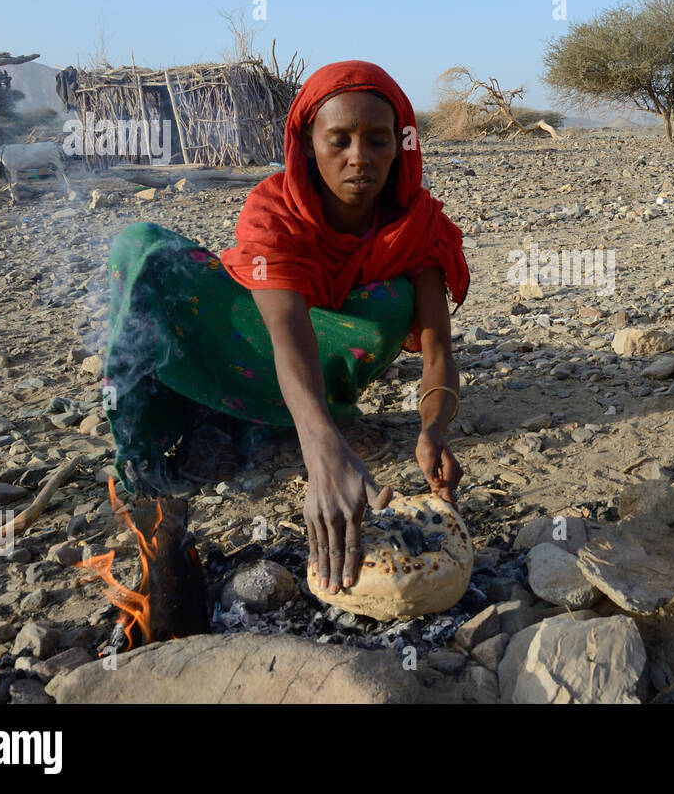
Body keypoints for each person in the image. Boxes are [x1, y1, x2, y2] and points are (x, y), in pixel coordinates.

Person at [103, 60, 469, 594]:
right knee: (141, 247)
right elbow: (286, 330)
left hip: (316, 362)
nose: (359, 158)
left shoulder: (418, 227)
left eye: (378, 140)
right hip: (260, 341)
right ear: (307, 144)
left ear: (401, 145)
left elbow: (438, 354)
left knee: (394, 301)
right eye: (338, 140)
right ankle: (150, 463)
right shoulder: (274, 211)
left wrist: (433, 430)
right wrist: (321, 449)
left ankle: (286, 418)